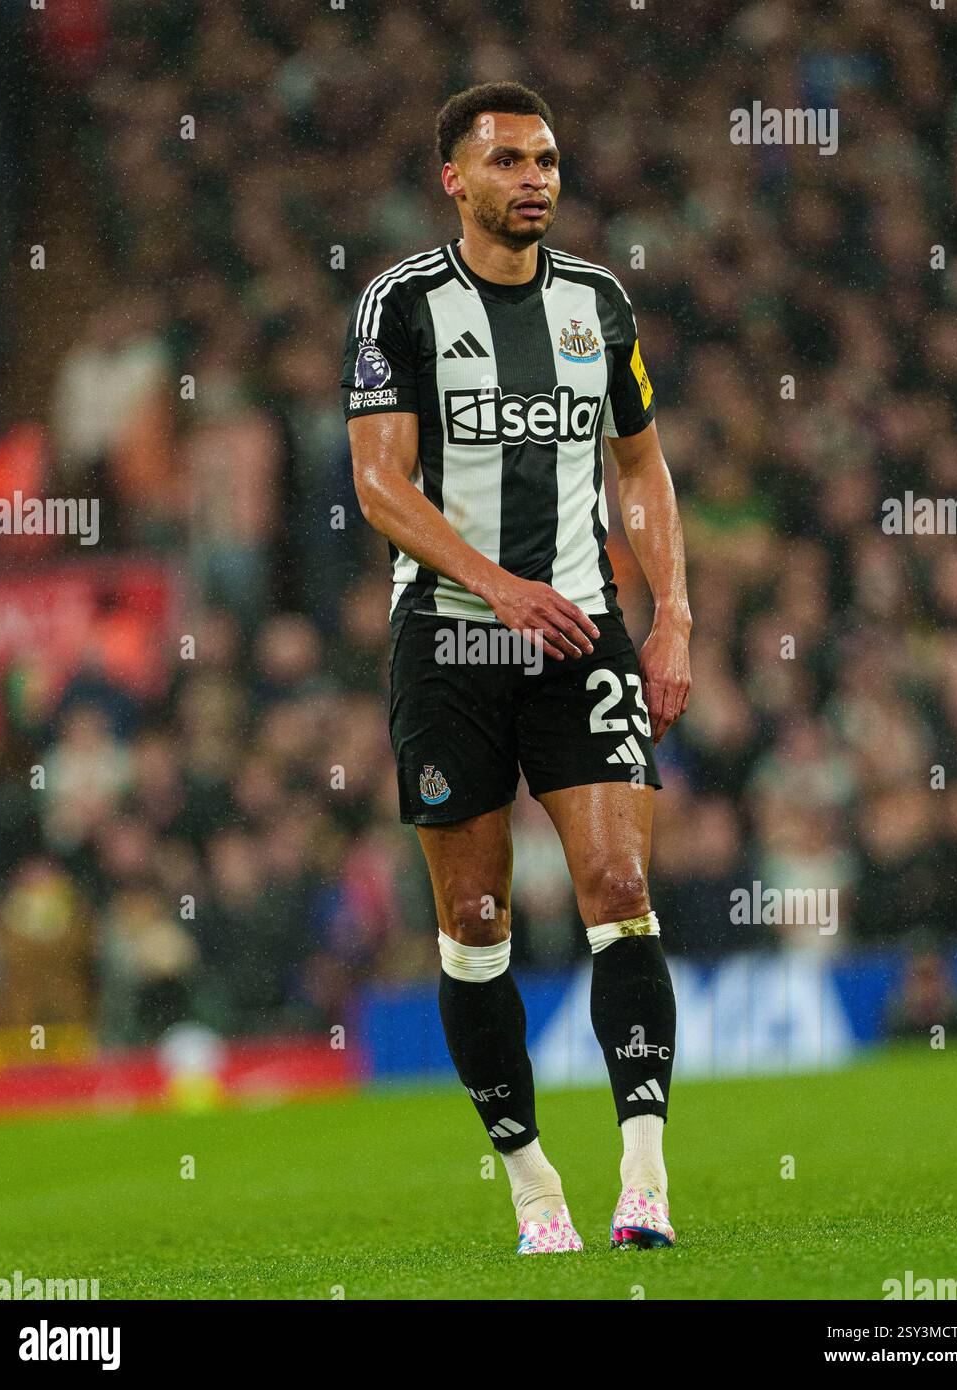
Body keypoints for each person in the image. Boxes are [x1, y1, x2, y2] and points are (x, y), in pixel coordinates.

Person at [342, 82, 692, 1255]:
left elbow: (638, 466)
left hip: (579, 630)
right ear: (456, 178)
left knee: (617, 886)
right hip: (451, 636)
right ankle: (532, 1179)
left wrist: (674, 613)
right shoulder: (399, 304)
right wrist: (494, 584)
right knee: (475, 916)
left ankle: (641, 1173)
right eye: (506, 160)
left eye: (545, 158)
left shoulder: (597, 301)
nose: (533, 177)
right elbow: (378, 484)